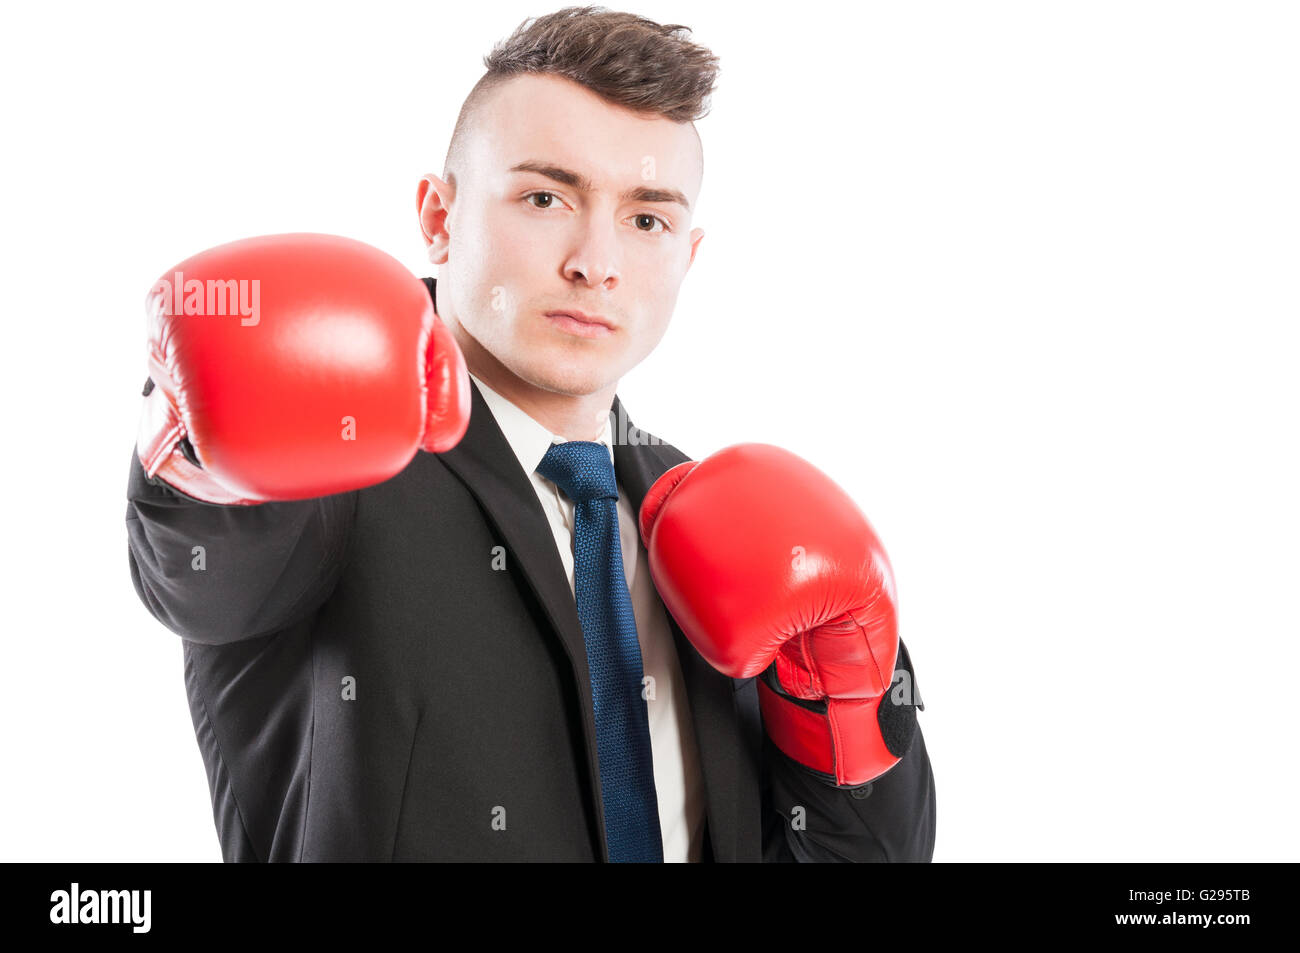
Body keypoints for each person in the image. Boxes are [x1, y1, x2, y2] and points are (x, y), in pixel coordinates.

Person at [125, 4, 936, 862]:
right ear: (439, 218)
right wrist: (192, 449)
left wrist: (841, 707)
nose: (596, 261)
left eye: (647, 217)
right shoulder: (336, 462)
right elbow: (195, 576)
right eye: (545, 197)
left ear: (687, 257)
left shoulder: (713, 519)